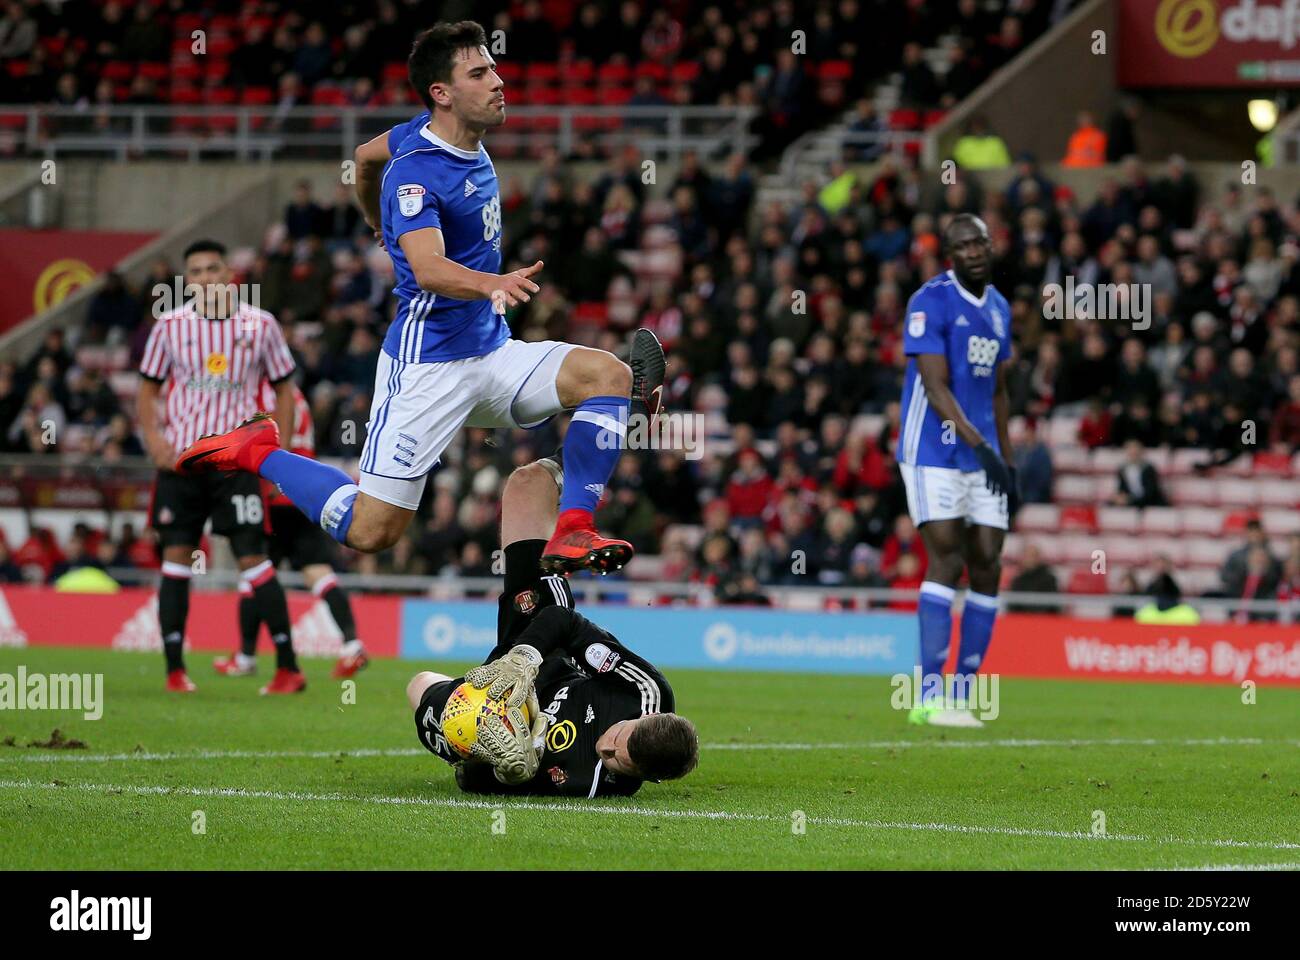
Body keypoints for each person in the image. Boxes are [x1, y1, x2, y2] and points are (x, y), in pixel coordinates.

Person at [177, 22, 659, 580]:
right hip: (427, 369)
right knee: (371, 532)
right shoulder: (416, 174)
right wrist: (491, 283)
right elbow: (427, 270)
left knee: (610, 376)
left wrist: (369, 219)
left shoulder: (420, 136)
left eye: (493, 69)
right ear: (442, 93)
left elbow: (362, 156)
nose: (498, 82)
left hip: (492, 354)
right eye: (479, 74)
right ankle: (257, 450)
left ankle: (574, 525)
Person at [407, 449, 699, 796]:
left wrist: (506, 773)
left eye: (620, 761)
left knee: (418, 686)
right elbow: (564, 622)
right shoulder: (646, 691)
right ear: (644, 719)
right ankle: (596, 443)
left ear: (647, 777)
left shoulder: (583, 781)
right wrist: (524, 658)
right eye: (619, 737)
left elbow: (470, 780)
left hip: (497, 707)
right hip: (545, 649)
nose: (606, 748)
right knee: (525, 482)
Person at [136, 240, 303, 694]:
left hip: (237, 463)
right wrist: (154, 438)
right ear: (187, 280)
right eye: (197, 271)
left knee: (254, 560)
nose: (207, 278)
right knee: (175, 560)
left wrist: (278, 452)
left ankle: (288, 667)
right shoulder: (170, 326)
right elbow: (147, 389)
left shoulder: (260, 325)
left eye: (214, 268)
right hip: (182, 463)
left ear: (229, 272)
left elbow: (284, 387)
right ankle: (174, 670)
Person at [895, 214, 1014, 728]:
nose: (974, 251)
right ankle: (926, 696)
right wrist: (979, 445)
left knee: (988, 563)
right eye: (963, 245)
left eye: (980, 242)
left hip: (983, 454)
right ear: (949, 254)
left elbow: (1000, 390)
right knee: (947, 556)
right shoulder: (930, 301)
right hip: (932, 453)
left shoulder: (1001, 309)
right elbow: (935, 386)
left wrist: (1007, 461)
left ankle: (965, 693)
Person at [215, 378, 370, 681]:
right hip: (304, 495)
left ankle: (246, 656)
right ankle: (352, 645)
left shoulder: (264, 395)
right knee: (318, 572)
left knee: (253, 572)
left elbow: (263, 444)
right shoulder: (296, 396)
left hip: (275, 495)